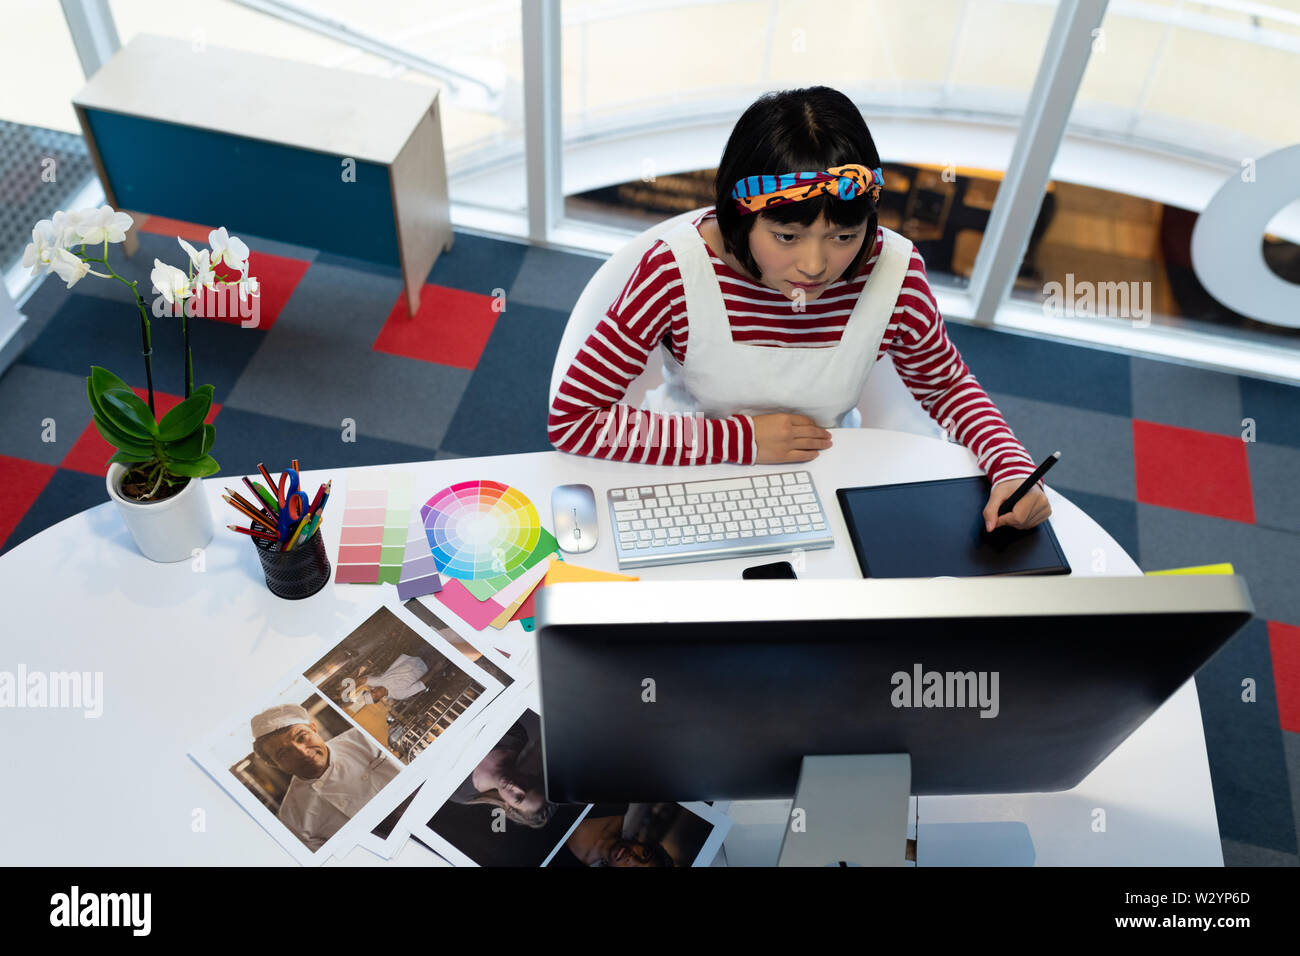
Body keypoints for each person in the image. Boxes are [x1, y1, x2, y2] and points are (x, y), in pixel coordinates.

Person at [548, 86, 1050, 533]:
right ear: (739, 217)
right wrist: (741, 440)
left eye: (843, 236)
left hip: (825, 474)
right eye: (787, 236)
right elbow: (572, 420)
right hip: (684, 465)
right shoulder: (672, 272)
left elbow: (944, 384)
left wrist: (1010, 465)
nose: (814, 265)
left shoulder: (896, 275)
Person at [250, 703, 399, 851]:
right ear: (275, 765)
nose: (301, 752)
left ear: (314, 729)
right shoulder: (292, 820)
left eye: (301, 737)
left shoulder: (363, 738)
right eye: (284, 753)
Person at [448, 717, 556, 829]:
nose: (516, 787)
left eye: (518, 798)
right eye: (527, 785)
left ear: (509, 807)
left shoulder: (460, 793)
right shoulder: (516, 736)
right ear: (529, 777)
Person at [354, 652, 429, 704]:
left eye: (373, 692)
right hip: (426, 665)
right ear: (380, 698)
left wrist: (348, 689)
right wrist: (435, 670)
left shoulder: (379, 682)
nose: (376, 691)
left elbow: (361, 680)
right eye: (376, 695)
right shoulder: (398, 695)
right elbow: (420, 684)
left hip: (413, 657)